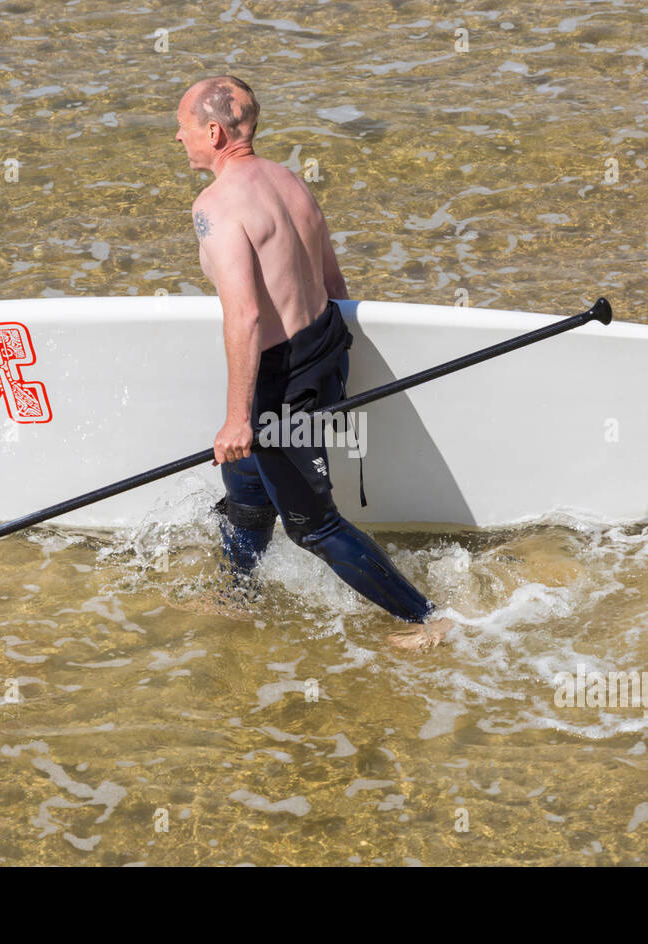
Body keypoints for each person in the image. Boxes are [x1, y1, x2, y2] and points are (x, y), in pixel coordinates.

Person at [174, 75, 450, 648]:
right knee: (246, 491)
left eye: (182, 128)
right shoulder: (288, 180)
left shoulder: (216, 207)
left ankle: (425, 618)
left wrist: (237, 417)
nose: (178, 139)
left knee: (312, 525)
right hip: (324, 346)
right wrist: (333, 367)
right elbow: (332, 280)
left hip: (281, 379)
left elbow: (245, 317)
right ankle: (236, 596)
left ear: (214, 131)